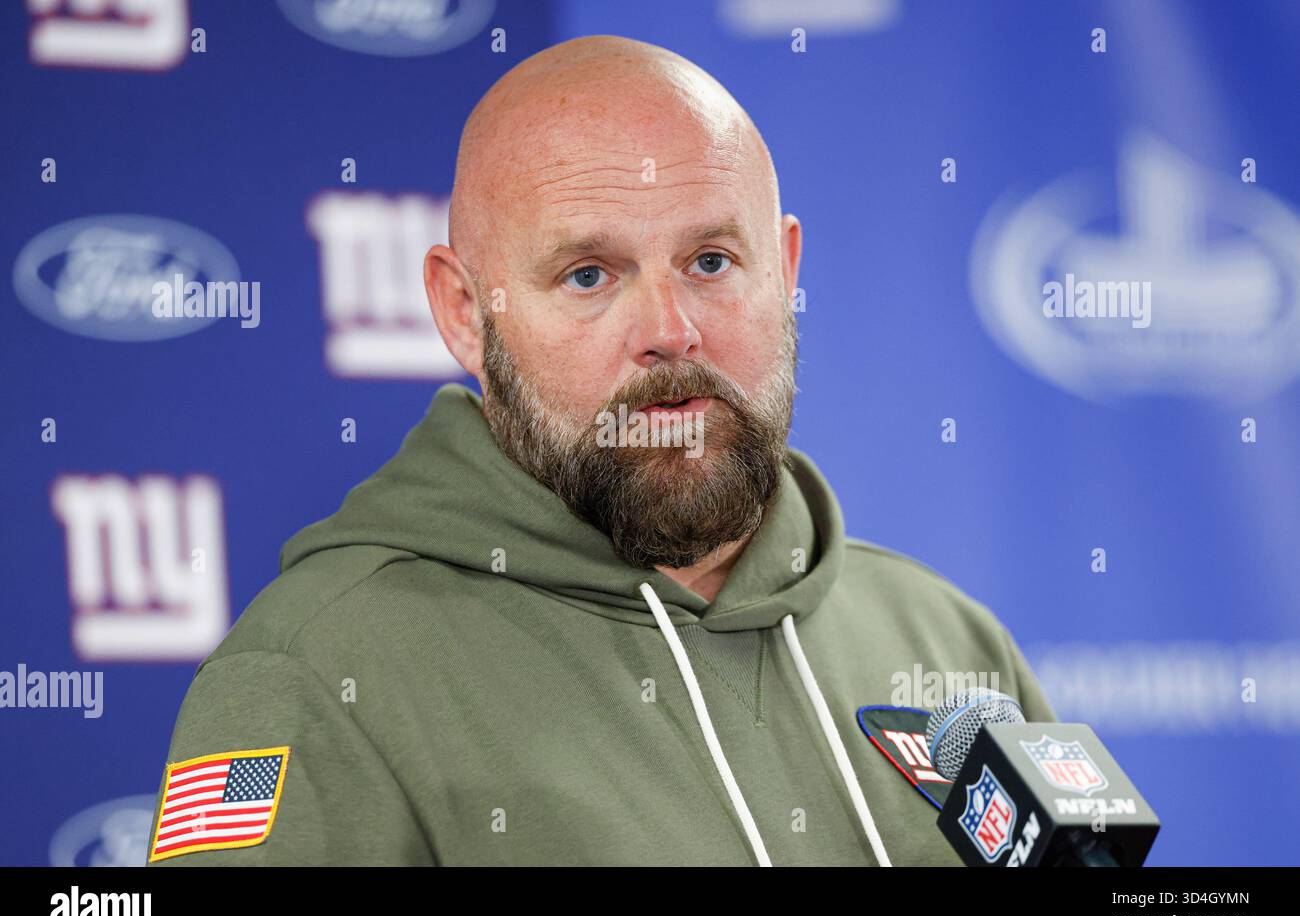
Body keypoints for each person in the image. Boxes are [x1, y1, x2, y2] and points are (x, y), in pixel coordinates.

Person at [146, 34, 1055, 867]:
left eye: (710, 262)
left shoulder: (946, 640)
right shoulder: (314, 673)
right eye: (588, 275)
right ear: (465, 312)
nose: (670, 329)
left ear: (784, 271)